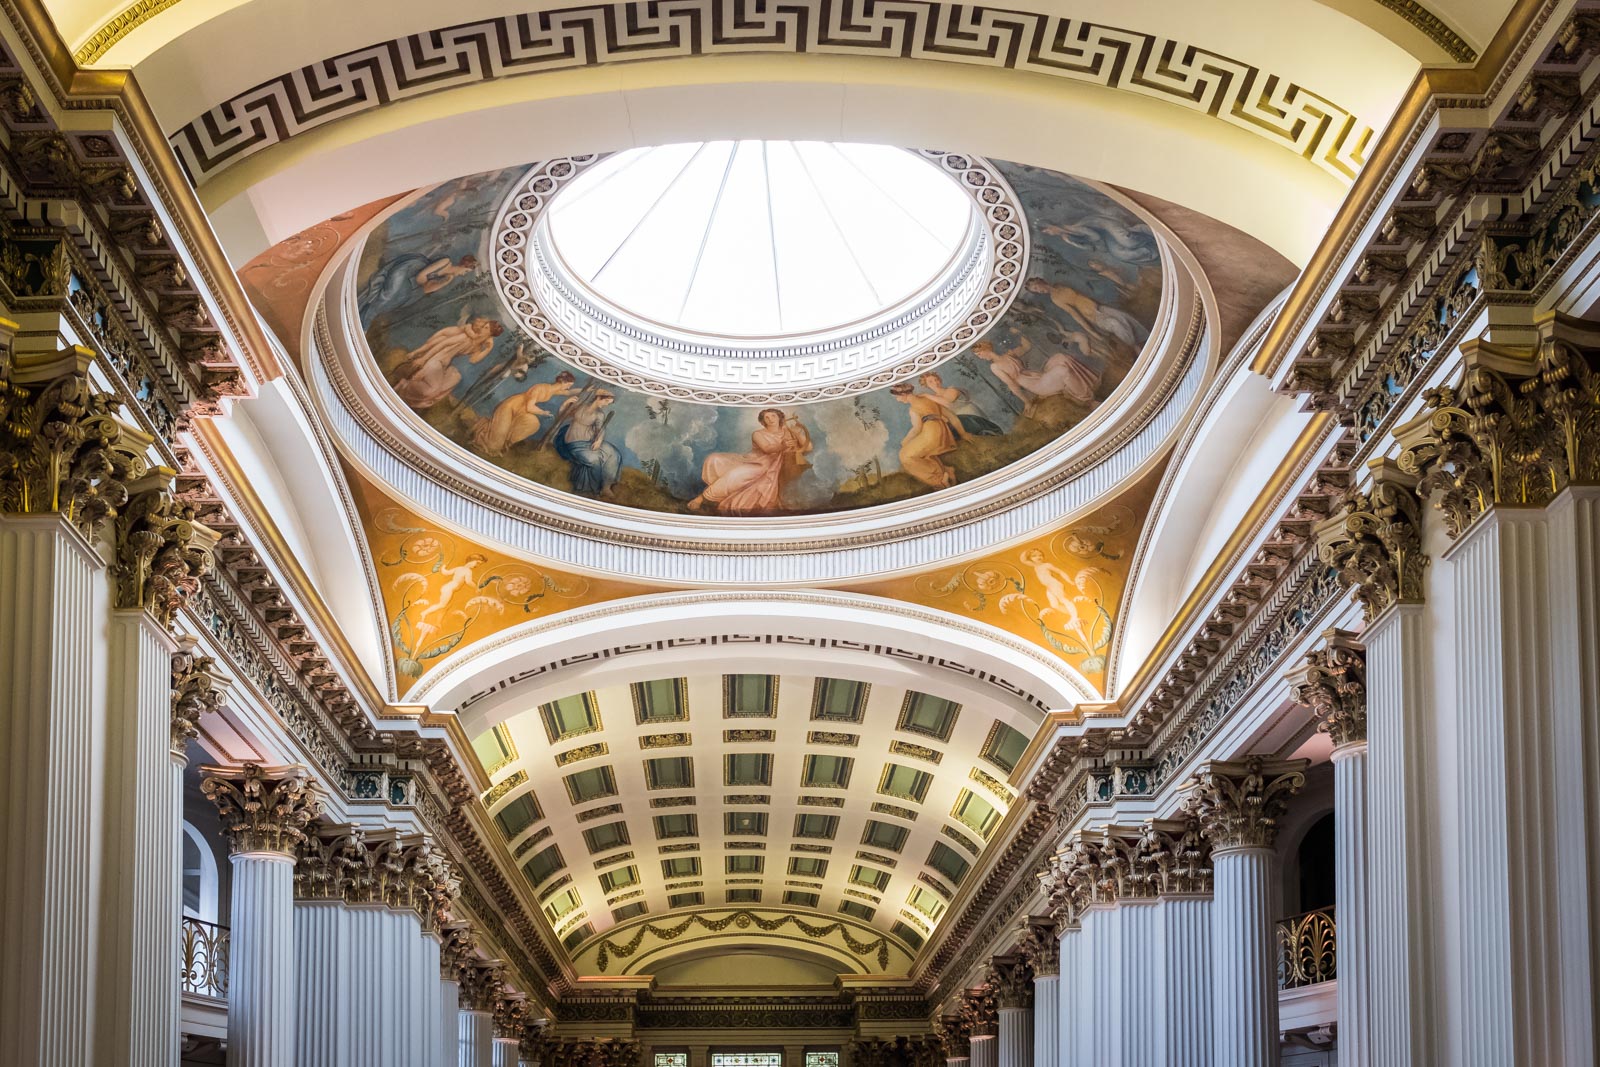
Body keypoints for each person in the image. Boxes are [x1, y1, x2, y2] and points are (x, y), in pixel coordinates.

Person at [688, 409, 812, 515]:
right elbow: (767, 449)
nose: (770, 419)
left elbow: (808, 448)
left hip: (775, 466)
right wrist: (782, 445)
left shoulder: (788, 432)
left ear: (780, 417)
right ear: (763, 421)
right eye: (766, 417)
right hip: (756, 462)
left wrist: (796, 432)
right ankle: (704, 497)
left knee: (735, 475)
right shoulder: (758, 434)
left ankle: (701, 498)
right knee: (716, 460)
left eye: (773, 416)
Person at [390, 312, 504, 409]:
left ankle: (412, 398)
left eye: (486, 328)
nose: (482, 328)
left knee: (451, 382)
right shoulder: (466, 337)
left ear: (490, 335)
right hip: (435, 360)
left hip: (442, 365)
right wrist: (423, 358)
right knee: (433, 389)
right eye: (485, 326)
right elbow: (442, 344)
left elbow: (473, 360)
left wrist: (488, 349)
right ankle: (405, 385)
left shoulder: (477, 347)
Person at [1025, 277, 1148, 357]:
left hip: (1098, 307)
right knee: (1115, 324)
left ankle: (1145, 338)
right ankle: (1135, 347)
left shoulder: (1060, 284)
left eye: (1036, 287)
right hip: (1091, 315)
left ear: (1039, 282)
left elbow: (1083, 289)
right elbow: (1074, 314)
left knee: (1124, 317)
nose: (1038, 291)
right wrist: (1091, 331)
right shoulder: (1055, 299)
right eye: (1035, 291)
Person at [470, 371, 578, 457]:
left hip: (522, 410)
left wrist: (585, 390)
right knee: (493, 445)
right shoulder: (540, 388)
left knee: (533, 424)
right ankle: (482, 426)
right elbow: (529, 407)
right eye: (569, 385)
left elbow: (569, 393)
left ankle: (507, 441)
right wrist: (543, 412)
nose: (569, 387)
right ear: (563, 382)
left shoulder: (552, 390)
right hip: (510, 407)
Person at [891, 382, 967, 489]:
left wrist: (905, 440)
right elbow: (949, 415)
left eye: (897, 397)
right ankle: (947, 471)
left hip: (931, 432)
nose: (897, 400)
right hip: (941, 430)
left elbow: (917, 429)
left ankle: (939, 480)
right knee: (923, 453)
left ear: (903, 394)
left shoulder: (913, 409)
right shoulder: (930, 398)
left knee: (904, 455)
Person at [359, 253, 476, 319]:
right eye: (465, 271)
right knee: (389, 294)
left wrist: (444, 282)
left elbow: (426, 289)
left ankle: (364, 314)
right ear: (463, 265)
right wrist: (426, 283)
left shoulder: (449, 277)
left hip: (410, 284)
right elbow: (421, 276)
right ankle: (365, 319)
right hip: (408, 270)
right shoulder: (446, 261)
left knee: (395, 302)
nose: (463, 274)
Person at [554, 390, 622, 498]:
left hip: (590, 440)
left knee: (614, 454)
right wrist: (565, 403)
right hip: (575, 441)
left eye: (608, 403)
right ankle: (593, 490)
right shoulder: (580, 406)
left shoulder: (600, 414)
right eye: (606, 401)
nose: (606, 405)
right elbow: (561, 416)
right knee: (594, 461)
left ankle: (606, 487)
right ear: (598, 398)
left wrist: (599, 440)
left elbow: (600, 429)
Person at [1015, 336, 1102, 413]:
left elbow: (1026, 346)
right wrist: (1027, 402)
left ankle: (1089, 382)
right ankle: (1088, 400)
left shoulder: (1010, 356)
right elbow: (1014, 387)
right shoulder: (1007, 369)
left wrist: (1019, 331)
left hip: (1040, 378)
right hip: (1040, 385)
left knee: (1060, 357)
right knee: (1063, 371)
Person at [917, 371, 1002, 436]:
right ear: (926, 385)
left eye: (936, 379)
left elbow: (947, 402)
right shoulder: (934, 399)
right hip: (957, 421)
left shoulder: (951, 390)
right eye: (930, 382)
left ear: (940, 380)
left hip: (972, 416)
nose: (935, 383)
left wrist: (926, 395)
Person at [970, 338, 1034, 411]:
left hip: (1030, 384)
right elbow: (1027, 347)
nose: (980, 358)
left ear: (985, 350)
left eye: (979, 354)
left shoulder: (994, 366)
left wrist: (1027, 402)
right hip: (1034, 377)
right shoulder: (1009, 354)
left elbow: (1011, 384)